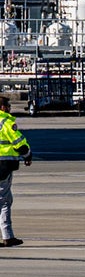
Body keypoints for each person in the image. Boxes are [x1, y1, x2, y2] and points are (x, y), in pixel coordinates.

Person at [0, 95, 31, 247]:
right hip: (2, 165)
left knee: (6, 199)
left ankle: (7, 236)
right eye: (8, 106)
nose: (10, 109)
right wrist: (27, 154)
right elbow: (19, 143)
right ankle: (7, 236)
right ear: (3, 108)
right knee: (3, 201)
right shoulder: (5, 122)